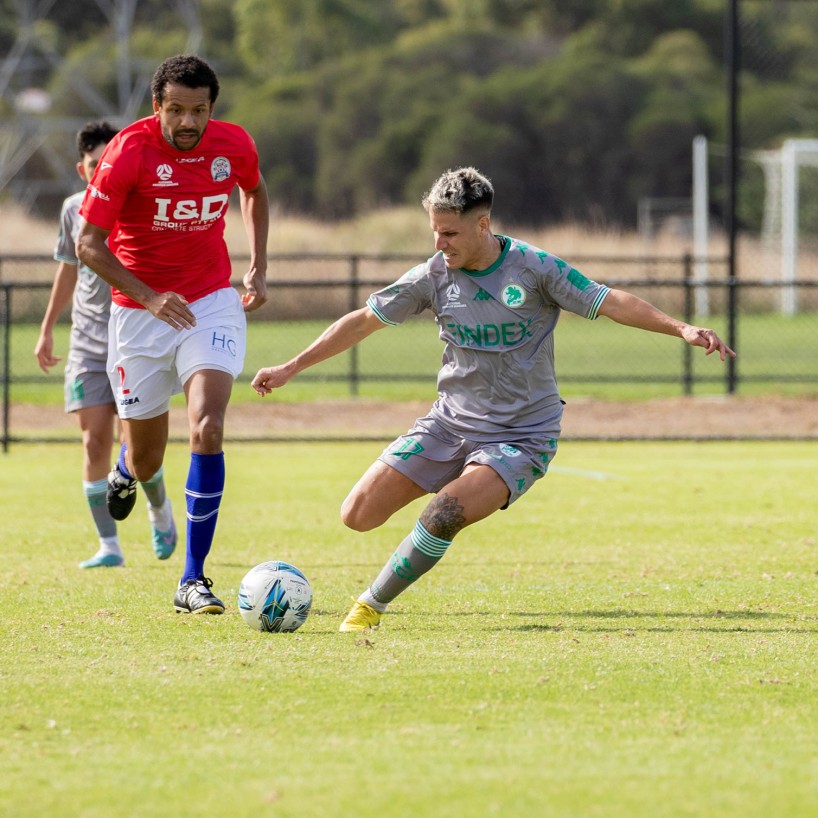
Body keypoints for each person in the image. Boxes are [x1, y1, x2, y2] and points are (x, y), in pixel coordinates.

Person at [251, 167, 735, 632]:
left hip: (521, 436)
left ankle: (370, 604)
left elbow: (608, 300)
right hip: (447, 425)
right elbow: (362, 320)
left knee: (444, 513)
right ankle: (432, 505)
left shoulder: (536, 268)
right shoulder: (433, 273)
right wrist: (292, 365)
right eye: (435, 233)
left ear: (483, 225)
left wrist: (681, 327)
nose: (439, 245)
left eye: (450, 234)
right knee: (357, 515)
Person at [76, 54, 269, 614]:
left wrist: (256, 267)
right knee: (149, 459)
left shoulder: (233, 145)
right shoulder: (128, 153)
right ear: (157, 106)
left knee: (207, 425)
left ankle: (192, 579)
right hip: (139, 313)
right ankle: (126, 468)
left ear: (213, 108)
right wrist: (150, 297)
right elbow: (90, 245)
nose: (189, 122)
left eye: (200, 111)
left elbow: (254, 191)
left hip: (210, 301)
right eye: (177, 110)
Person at [35, 121, 177, 569]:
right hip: (87, 344)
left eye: (107, 164)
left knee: (135, 450)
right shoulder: (73, 209)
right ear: (82, 169)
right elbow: (68, 268)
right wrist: (47, 326)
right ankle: (109, 546)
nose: (100, 173)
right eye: (93, 166)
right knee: (94, 443)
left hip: (133, 338)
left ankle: (159, 512)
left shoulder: (140, 203)